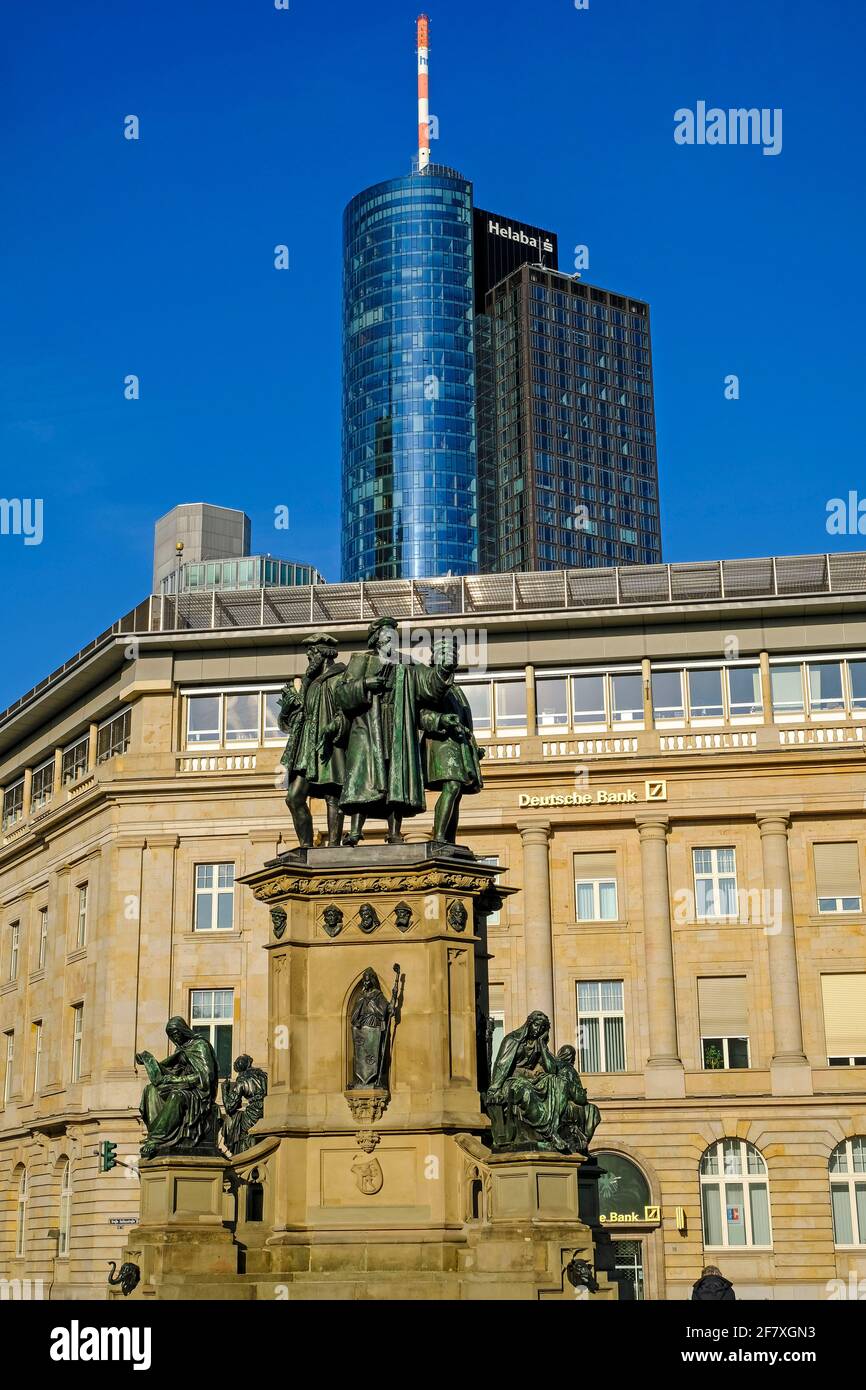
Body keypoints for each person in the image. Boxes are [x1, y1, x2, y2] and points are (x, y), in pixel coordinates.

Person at [329, 617, 425, 844]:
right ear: (376, 639)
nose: (391, 638)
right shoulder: (361, 661)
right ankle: (355, 831)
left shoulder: (407, 664)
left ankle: (394, 832)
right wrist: (365, 684)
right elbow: (341, 695)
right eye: (386, 634)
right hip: (367, 728)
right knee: (362, 778)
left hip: (397, 725)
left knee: (396, 778)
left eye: (394, 635)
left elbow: (425, 688)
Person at [279, 633, 347, 847]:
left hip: (329, 745)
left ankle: (334, 845)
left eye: (313, 653)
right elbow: (289, 723)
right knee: (294, 797)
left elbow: (348, 712)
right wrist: (288, 709)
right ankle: (306, 847)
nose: (309, 657)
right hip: (305, 748)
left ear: (324, 654)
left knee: (333, 796)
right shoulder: (309, 682)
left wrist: (333, 727)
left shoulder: (340, 678)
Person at [135, 1017, 219, 1159]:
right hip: (183, 1086)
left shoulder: (200, 1046)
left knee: (177, 1096)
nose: (175, 1038)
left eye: (176, 1034)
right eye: (171, 1036)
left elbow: (206, 1076)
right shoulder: (181, 1049)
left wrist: (178, 1080)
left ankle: (157, 1138)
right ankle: (156, 1133)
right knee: (151, 1090)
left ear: (183, 1030)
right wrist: (149, 1061)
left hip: (199, 1092)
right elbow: (173, 1069)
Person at [221, 1054, 268, 1154]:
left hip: (254, 1112)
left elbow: (229, 1107)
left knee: (236, 1126)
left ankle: (242, 1155)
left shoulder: (242, 1081)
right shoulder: (264, 1075)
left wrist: (224, 1090)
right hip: (268, 1108)